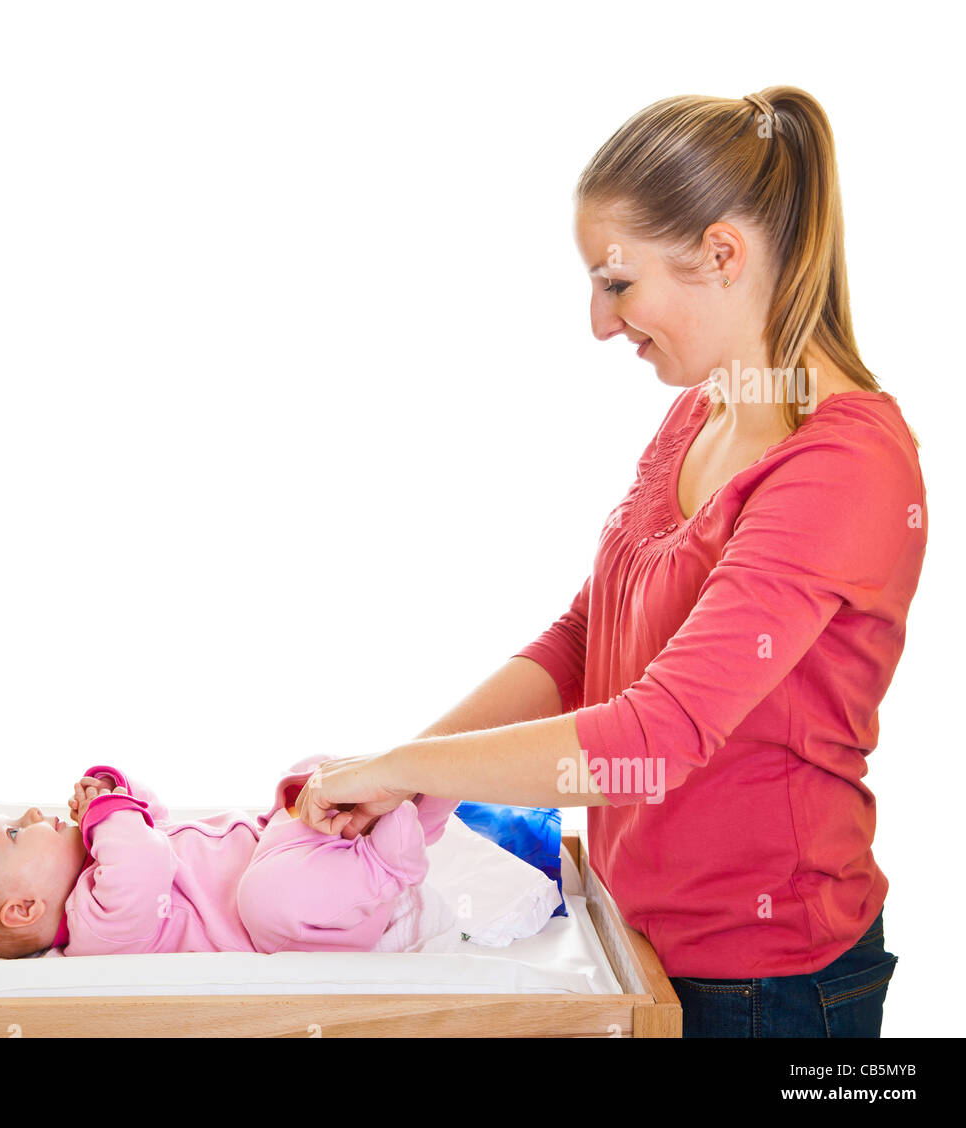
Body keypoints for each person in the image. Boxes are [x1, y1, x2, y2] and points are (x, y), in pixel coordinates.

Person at [293, 87, 926, 1038]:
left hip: (772, 988)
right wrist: (409, 773)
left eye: (618, 285)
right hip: (643, 947)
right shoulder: (704, 412)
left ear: (721, 254)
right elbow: (587, 638)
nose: (597, 322)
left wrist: (408, 764)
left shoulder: (844, 466)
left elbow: (655, 737)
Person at [0, 762, 458, 962]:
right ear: (23, 909)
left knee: (310, 778)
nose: (34, 811)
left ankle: (412, 798)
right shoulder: (95, 929)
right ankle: (389, 866)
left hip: (282, 846)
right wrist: (106, 812)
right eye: (15, 831)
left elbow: (151, 816)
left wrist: (115, 787)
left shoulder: (102, 846)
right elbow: (144, 861)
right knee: (268, 896)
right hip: (301, 923)